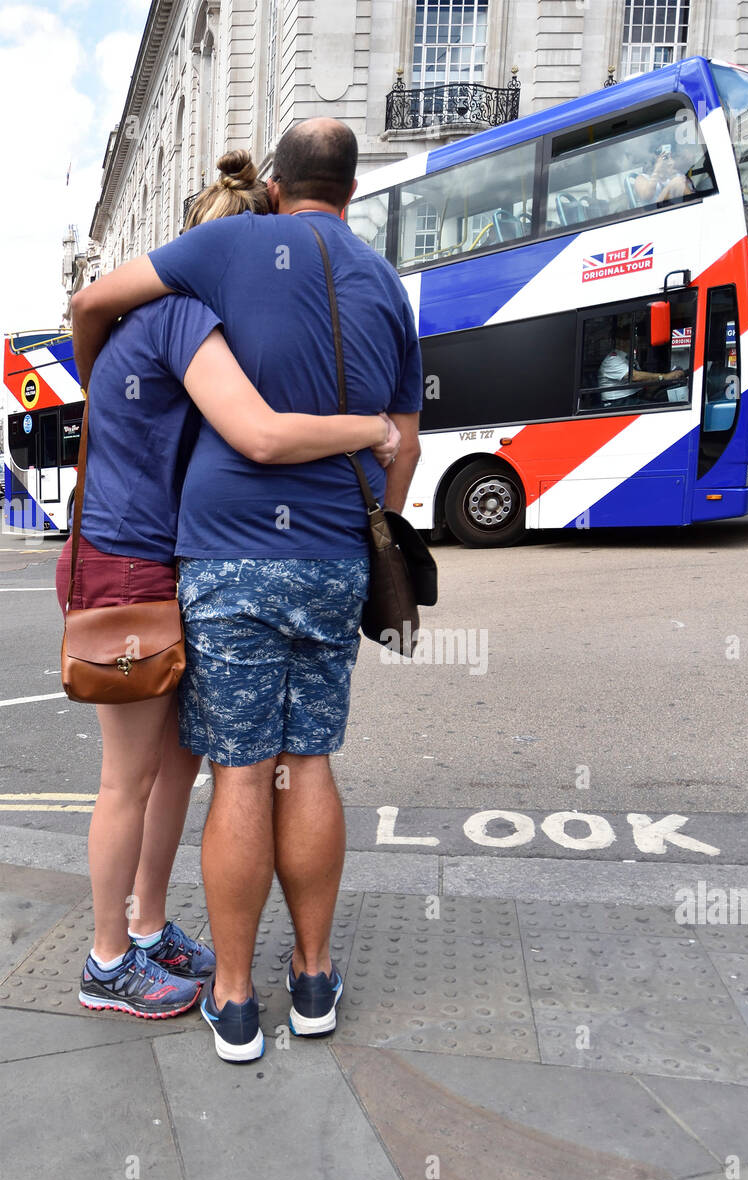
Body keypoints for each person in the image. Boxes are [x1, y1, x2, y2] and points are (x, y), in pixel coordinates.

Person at [71, 119, 423, 1064]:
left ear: (276, 182)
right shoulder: (387, 284)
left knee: (236, 771)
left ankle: (232, 1002)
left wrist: (102, 394)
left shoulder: (224, 248)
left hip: (223, 553)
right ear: (351, 191)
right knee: (307, 765)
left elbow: (95, 299)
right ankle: (311, 982)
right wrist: (368, 528)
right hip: (333, 557)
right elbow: (404, 443)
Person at [598, 325, 685, 405]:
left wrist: (667, 380)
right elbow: (634, 376)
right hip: (618, 403)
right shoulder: (613, 359)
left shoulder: (629, 358)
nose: (637, 340)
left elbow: (642, 382)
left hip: (632, 398)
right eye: (631, 338)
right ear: (621, 342)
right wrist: (664, 377)